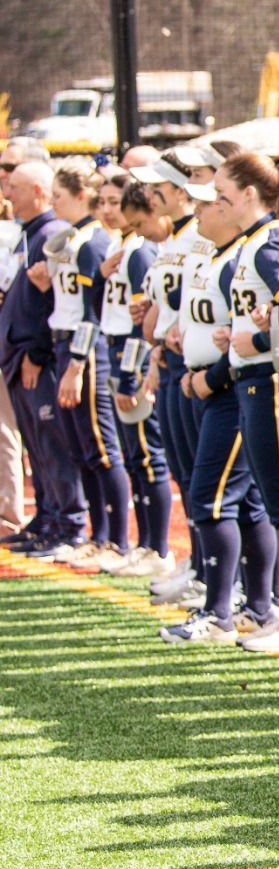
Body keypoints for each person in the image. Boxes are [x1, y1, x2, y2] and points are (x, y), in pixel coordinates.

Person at [161, 171, 279, 645]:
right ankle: (256, 605)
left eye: (210, 202)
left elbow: (250, 333)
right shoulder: (219, 255)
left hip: (232, 391)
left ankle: (223, 610)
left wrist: (208, 378)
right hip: (212, 388)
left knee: (212, 498)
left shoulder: (246, 255)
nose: (199, 210)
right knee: (241, 503)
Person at [213, 152, 279, 654]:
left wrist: (256, 341)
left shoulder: (270, 241)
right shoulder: (253, 241)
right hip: (258, 382)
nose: (217, 203)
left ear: (249, 194)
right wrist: (239, 336)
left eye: (222, 195)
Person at [130, 148, 215, 605]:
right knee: (185, 472)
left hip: (195, 365)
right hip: (170, 363)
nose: (149, 194)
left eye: (157, 185)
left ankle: (215, 574)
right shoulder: (176, 239)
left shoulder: (200, 236)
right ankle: (201, 563)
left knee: (205, 476)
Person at [34, 162, 127, 567]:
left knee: (100, 447)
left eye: (58, 195)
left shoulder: (92, 241)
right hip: (66, 344)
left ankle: (116, 540)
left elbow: (91, 311)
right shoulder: (73, 238)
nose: (53, 202)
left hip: (84, 349)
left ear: (79, 195)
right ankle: (97, 535)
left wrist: (76, 362)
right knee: (82, 448)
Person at [0, 157, 84, 555]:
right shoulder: (29, 232)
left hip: (38, 360)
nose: (7, 195)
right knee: (37, 445)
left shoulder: (50, 233)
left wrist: (35, 352)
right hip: (19, 357)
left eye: (13, 188)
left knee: (53, 443)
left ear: (38, 191)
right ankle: (48, 517)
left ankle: (69, 523)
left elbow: (51, 303)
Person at [106, 178, 172, 577]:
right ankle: (147, 543)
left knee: (149, 457)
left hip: (137, 361)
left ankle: (157, 547)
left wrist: (129, 375)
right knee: (136, 458)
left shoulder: (141, 252)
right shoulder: (127, 248)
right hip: (124, 357)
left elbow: (138, 326)